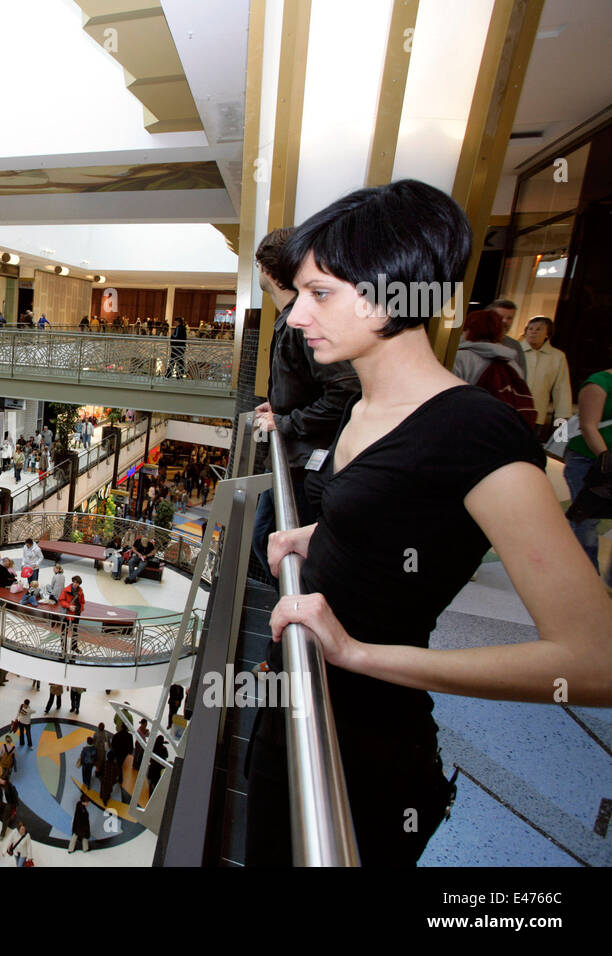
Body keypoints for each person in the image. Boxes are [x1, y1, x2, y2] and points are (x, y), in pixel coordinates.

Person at [247, 179, 612, 866]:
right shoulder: (366, 408)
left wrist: (358, 653)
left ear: (390, 295)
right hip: (300, 707)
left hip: (364, 747)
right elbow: (396, 514)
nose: (296, 317)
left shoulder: (472, 432)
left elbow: (596, 660)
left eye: (320, 294)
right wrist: (321, 535)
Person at [250, 227, 361, 579]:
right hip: (294, 457)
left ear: (268, 270)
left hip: (306, 464)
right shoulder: (291, 321)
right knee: (265, 539)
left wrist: (285, 422)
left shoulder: (301, 323)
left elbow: (344, 393)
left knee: (277, 546)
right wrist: (279, 410)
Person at [563, 365, 612, 589]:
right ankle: (588, 581)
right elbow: (588, 426)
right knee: (586, 520)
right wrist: (606, 459)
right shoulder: (599, 382)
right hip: (587, 460)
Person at [520, 316, 572, 441]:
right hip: (510, 412)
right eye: (530, 328)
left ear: (547, 334)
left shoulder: (557, 357)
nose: (533, 332)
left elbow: (562, 389)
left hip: (536, 416)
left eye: (538, 329)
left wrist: (562, 420)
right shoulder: (514, 351)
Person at [487, 297, 527, 367]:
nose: (505, 321)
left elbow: (521, 376)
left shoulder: (515, 346)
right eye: (500, 317)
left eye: (509, 318)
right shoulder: (471, 341)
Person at [58, 575, 85, 653]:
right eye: (75, 582)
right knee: (64, 631)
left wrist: (81, 609)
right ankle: (63, 648)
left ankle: (74, 646)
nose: (76, 584)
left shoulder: (80, 591)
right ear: (73, 581)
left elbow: (82, 601)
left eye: (78, 583)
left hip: (76, 613)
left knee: (75, 630)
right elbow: (61, 600)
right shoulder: (66, 590)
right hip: (67, 613)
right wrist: (69, 606)